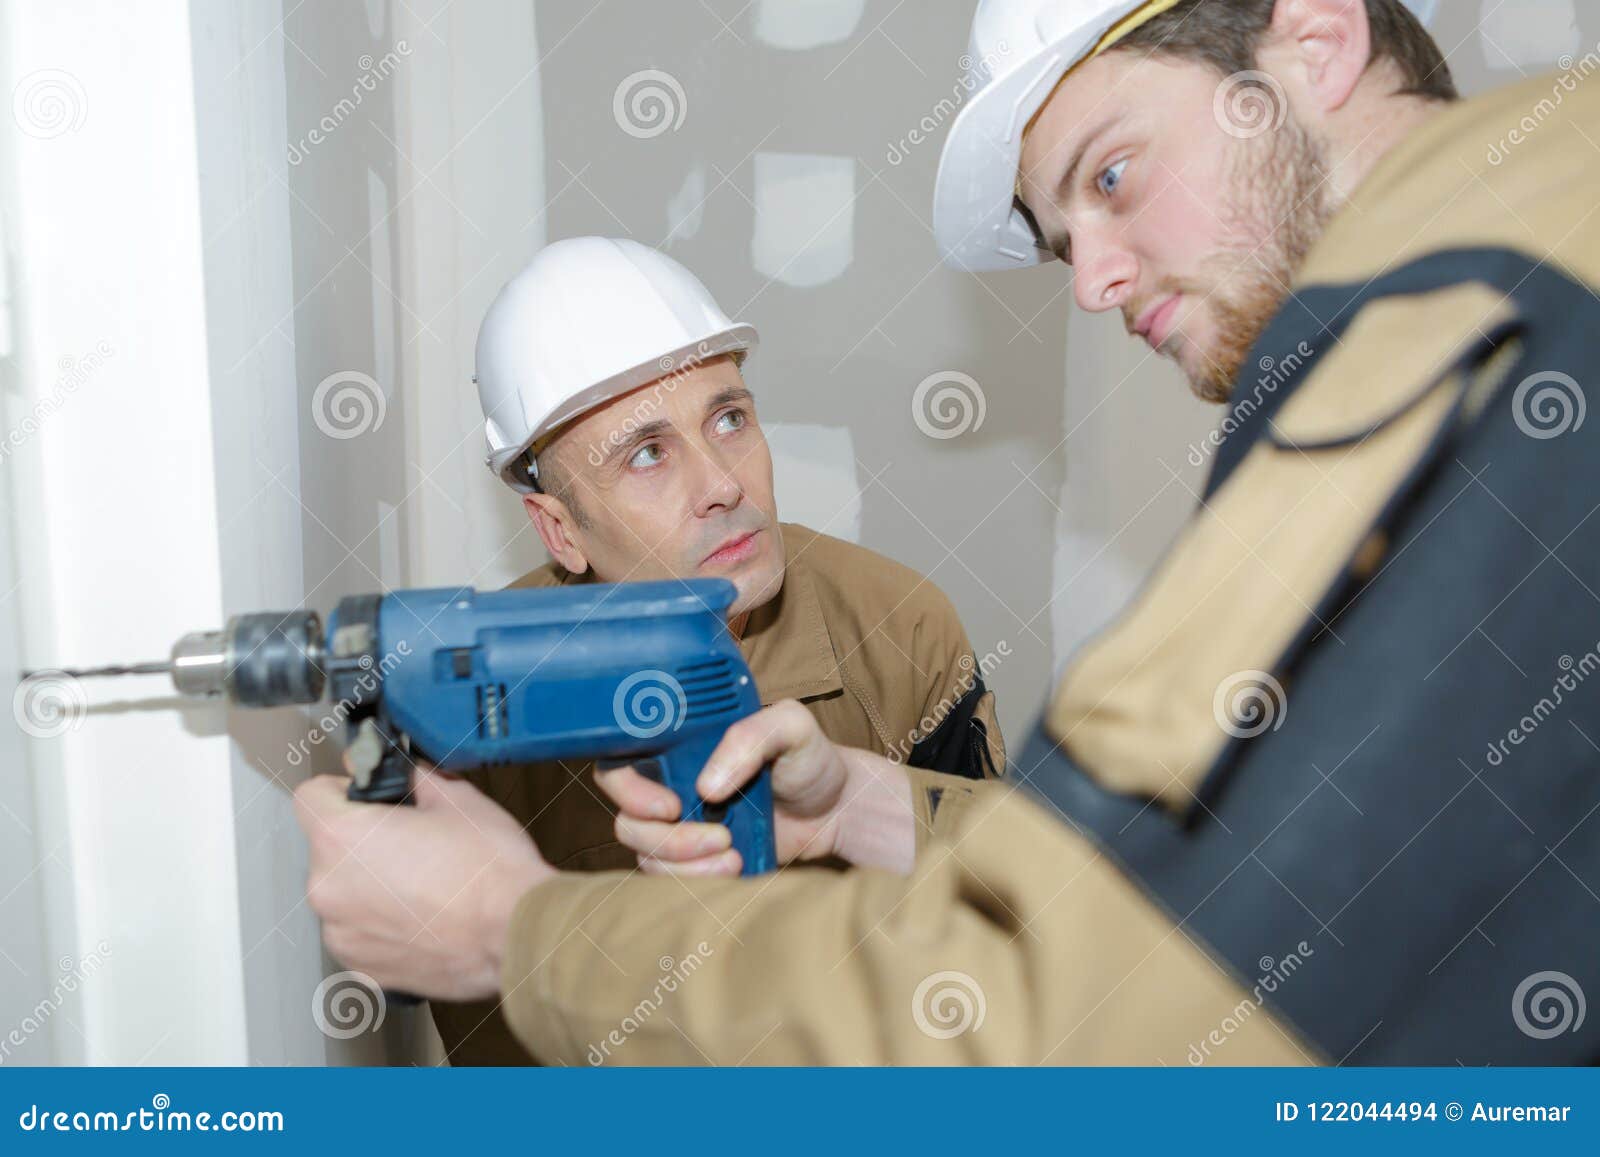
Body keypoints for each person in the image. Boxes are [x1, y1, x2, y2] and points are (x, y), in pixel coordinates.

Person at [295, 0, 1600, 1064]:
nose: (1089, 283)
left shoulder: (1447, 362)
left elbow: (1054, 1020)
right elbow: (1263, 884)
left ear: (1314, 43)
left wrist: (516, 930)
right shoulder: (1541, 244)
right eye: (1061, 233)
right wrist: (872, 806)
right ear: (553, 522)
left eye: (1114, 174)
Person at [427, 236, 1005, 1063]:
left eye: (729, 418)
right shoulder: (486, 699)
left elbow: (1004, 948)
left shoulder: (899, 626)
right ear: (561, 529)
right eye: (648, 453)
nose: (723, 485)